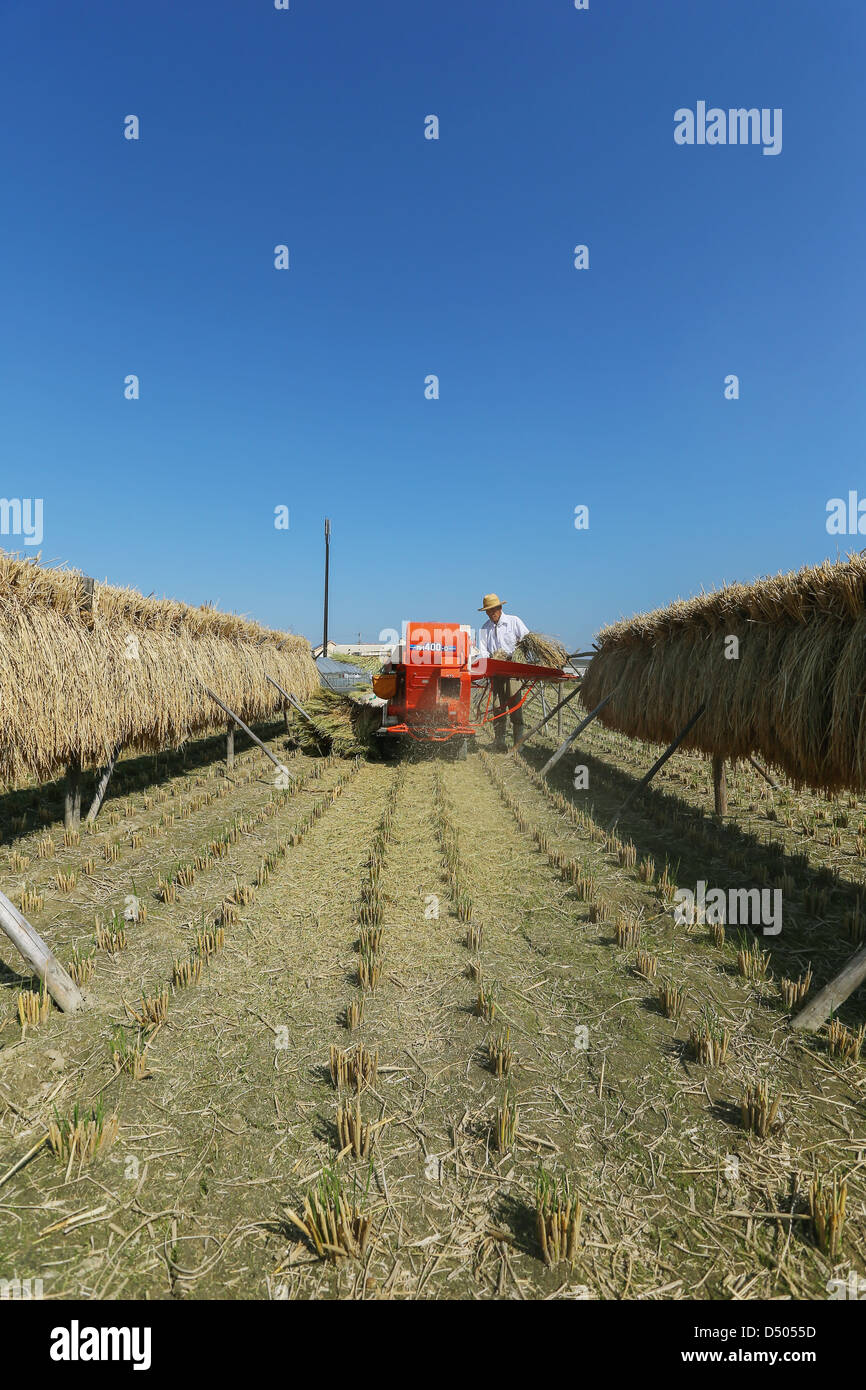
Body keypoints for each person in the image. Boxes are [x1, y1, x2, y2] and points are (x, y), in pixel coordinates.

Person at [477, 593, 529, 750]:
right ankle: (499, 742)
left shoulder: (514, 622)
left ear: (500, 608)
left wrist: (517, 656)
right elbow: (483, 651)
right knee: (498, 707)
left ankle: (518, 743)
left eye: (493, 609)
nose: (491, 613)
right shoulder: (485, 628)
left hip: (513, 672)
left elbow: (527, 640)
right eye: (488, 610)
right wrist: (491, 661)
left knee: (515, 707)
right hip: (496, 673)